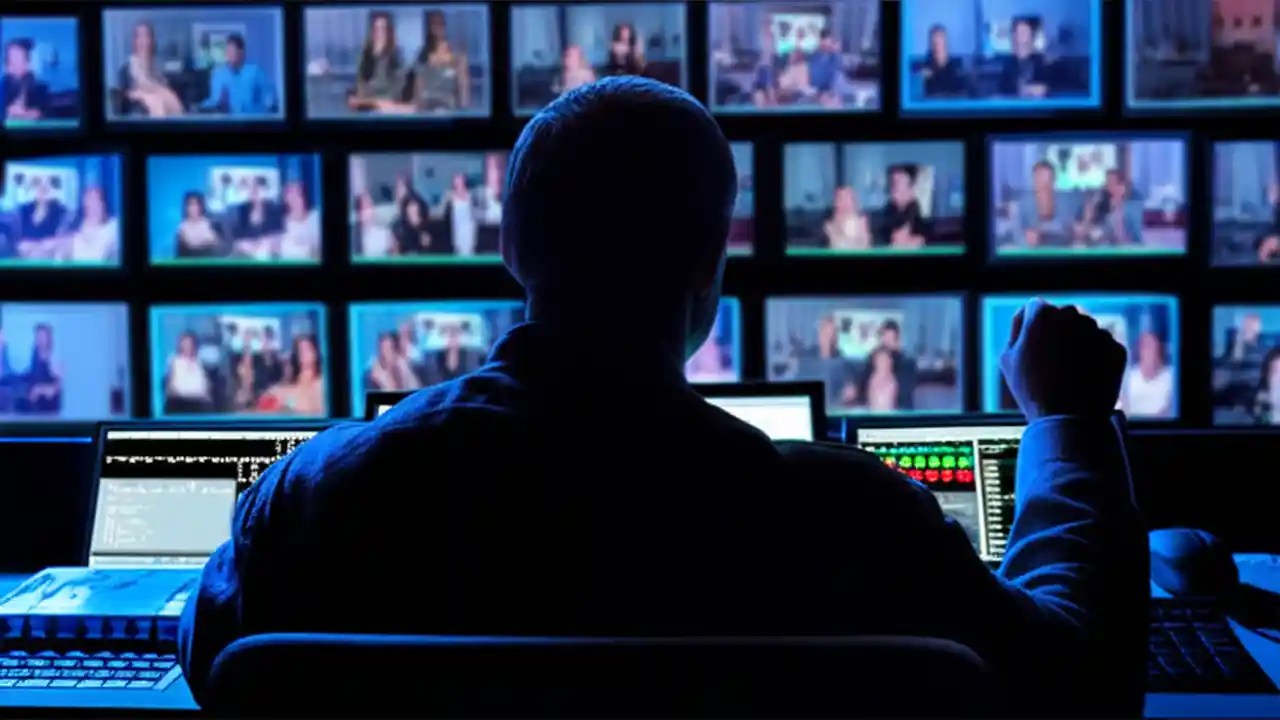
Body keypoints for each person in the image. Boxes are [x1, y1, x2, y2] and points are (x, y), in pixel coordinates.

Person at [179, 78, 1147, 717]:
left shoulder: (317, 498)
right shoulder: (849, 519)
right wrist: (1064, 422)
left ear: (510, 249)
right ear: (706, 271)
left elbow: (210, 648)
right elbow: (1080, 688)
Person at [199, 34, 274, 116]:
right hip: (227, 124)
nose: (228, 55)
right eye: (227, 51)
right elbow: (214, 100)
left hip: (252, 123)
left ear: (241, 52)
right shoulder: (218, 75)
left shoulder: (255, 72)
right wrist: (201, 107)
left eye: (232, 51)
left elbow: (270, 97)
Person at [121, 22, 185, 117]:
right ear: (134, 41)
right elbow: (126, 99)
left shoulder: (164, 68)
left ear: (152, 41)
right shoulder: (126, 71)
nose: (143, 41)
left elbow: (177, 105)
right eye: (138, 37)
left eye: (147, 36)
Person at [349, 11, 405, 112]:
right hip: (366, 109)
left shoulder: (396, 58)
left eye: (383, 29)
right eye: (376, 29)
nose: (379, 33)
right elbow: (361, 88)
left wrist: (372, 102)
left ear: (389, 32)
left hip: (387, 110)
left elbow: (395, 94)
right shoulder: (364, 57)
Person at [1123, 331, 1173, 418]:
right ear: (1140, 351)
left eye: (1156, 348)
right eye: (1148, 348)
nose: (1152, 353)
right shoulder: (1128, 378)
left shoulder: (1171, 377)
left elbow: (1173, 408)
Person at [877, 165, 928, 249]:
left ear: (912, 186)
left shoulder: (921, 220)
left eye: (899, 181)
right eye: (893, 181)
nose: (894, 186)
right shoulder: (883, 218)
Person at [999, 18, 1050, 98]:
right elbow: (1002, 91)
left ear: (1032, 38)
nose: (1022, 39)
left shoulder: (1042, 62)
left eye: (1025, 33)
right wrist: (1021, 90)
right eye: (1019, 34)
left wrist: (1042, 89)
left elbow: (1049, 88)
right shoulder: (1008, 64)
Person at [68, 186, 120, 263]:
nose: (94, 206)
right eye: (90, 203)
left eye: (97, 201)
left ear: (104, 204)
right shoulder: (78, 226)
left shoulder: (115, 226)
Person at [4, 39, 50, 122]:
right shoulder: (3, 85)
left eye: (17, 58)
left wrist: (23, 114)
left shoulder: (41, 89)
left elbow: (42, 114)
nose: (12, 64)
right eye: (10, 59)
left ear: (28, 62)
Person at [920, 25, 966, 97]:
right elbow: (928, 91)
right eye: (935, 40)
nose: (937, 42)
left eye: (940, 38)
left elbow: (962, 91)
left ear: (946, 41)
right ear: (930, 43)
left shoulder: (956, 65)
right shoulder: (926, 67)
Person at [176, 193, 224, 258]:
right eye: (190, 205)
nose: (194, 208)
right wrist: (205, 241)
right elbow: (191, 243)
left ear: (201, 206)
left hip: (210, 261)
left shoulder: (209, 223)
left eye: (196, 204)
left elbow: (217, 242)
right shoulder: (182, 227)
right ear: (186, 207)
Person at [823, 186, 871, 250]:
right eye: (840, 199)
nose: (843, 203)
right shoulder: (828, 226)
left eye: (847, 199)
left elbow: (850, 246)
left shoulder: (859, 223)